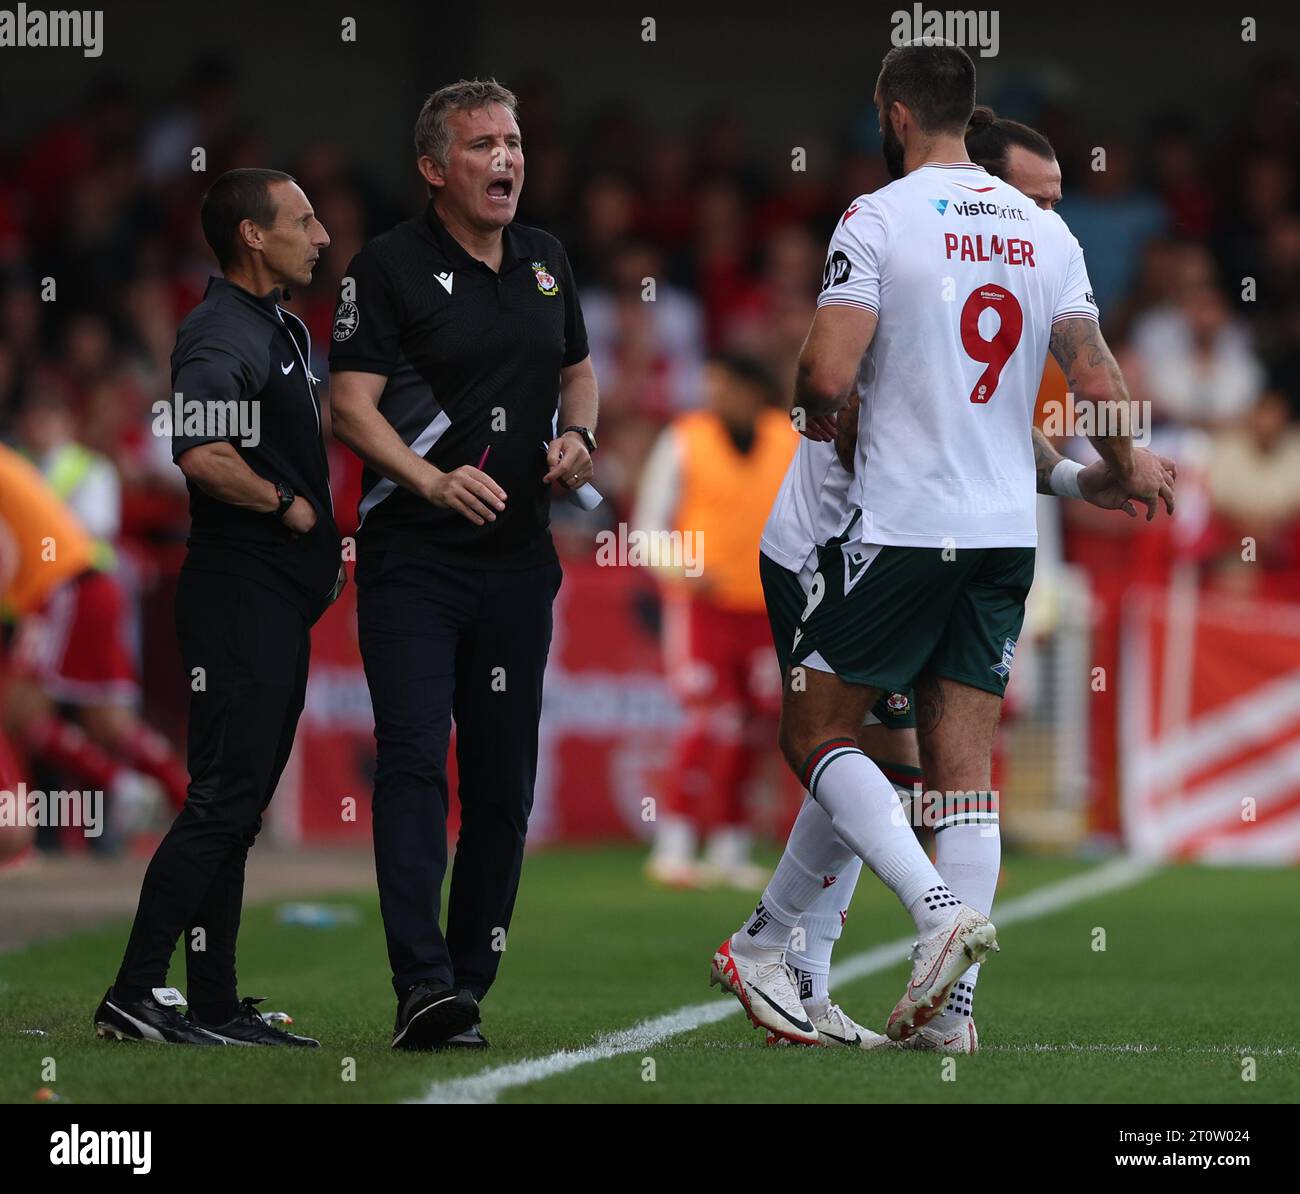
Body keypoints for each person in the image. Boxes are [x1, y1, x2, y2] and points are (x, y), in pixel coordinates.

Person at [710, 43, 1173, 1048]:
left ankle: (921, 919)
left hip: (896, 529)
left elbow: (827, 377)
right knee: (953, 768)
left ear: (892, 111)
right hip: (1005, 538)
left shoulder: (878, 216)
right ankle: (943, 1018)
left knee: (814, 731)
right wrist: (1127, 465)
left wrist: (810, 407)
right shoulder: (1046, 235)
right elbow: (1097, 376)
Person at [329, 79, 598, 1051]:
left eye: (515, 141)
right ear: (435, 169)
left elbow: (577, 366)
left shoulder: (544, 258)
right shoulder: (389, 267)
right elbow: (348, 406)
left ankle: (466, 983)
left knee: (500, 785)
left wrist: (581, 437)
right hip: (415, 563)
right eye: (484, 144)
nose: (507, 159)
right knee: (410, 765)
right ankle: (423, 986)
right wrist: (431, 481)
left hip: (520, 564)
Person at [94, 168, 339, 1047]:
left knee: (237, 804)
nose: (319, 236)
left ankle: (213, 1003)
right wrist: (288, 506)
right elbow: (199, 450)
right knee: (222, 799)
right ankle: (133, 989)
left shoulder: (278, 325)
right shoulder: (218, 332)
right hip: (241, 596)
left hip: (269, 598)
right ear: (251, 236)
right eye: (303, 222)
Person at [633, 353, 795, 889]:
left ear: (753, 389)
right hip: (703, 605)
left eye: (725, 385)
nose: (715, 395)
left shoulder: (788, 439)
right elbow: (648, 524)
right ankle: (674, 843)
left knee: (753, 726)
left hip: (767, 608)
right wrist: (679, 569)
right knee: (709, 719)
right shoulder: (685, 437)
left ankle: (730, 846)